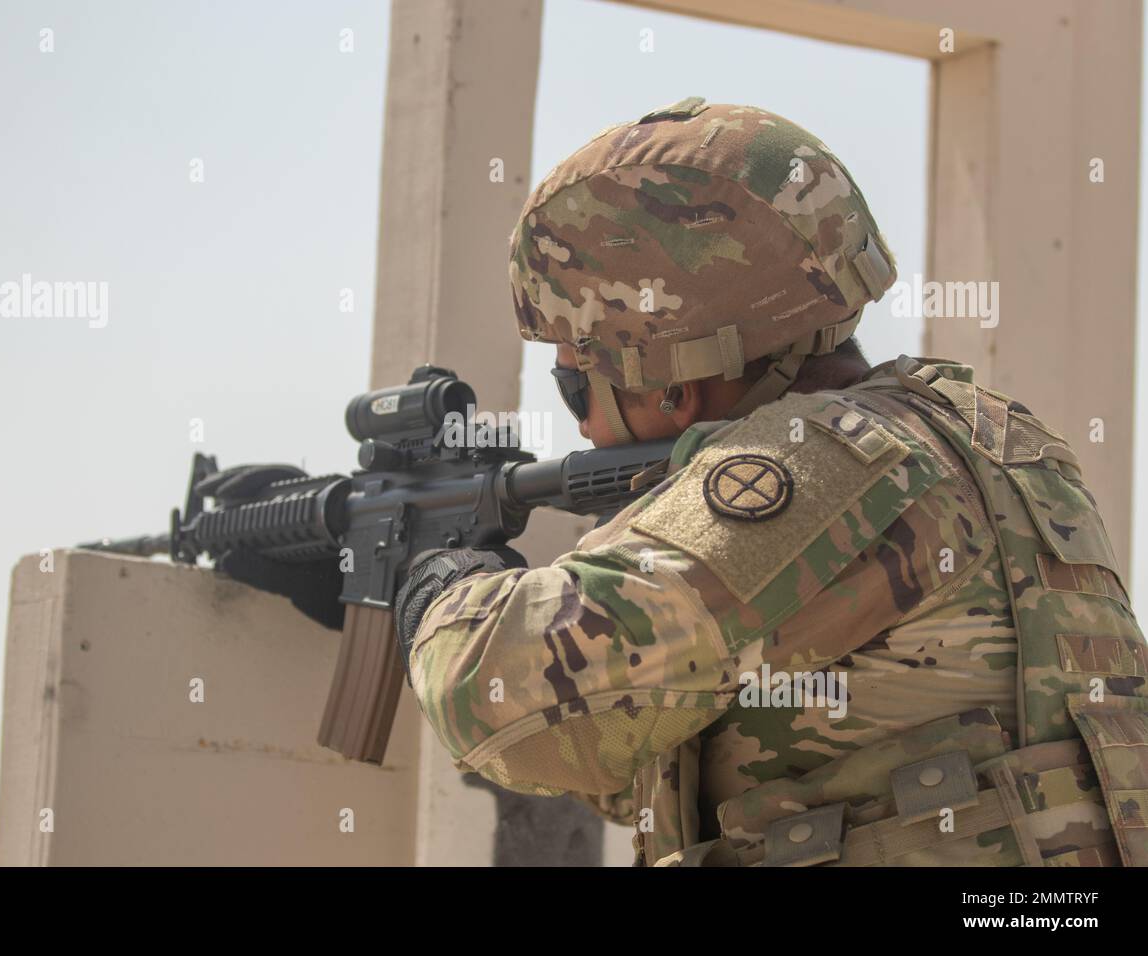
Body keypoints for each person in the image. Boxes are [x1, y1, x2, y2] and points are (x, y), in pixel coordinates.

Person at [391, 98, 1148, 867]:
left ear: (670, 387)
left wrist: (434, 590)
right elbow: (670, 740)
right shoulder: (984, 435)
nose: (583, 429)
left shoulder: (823, 463)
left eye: (577, 390)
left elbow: (504, 698)